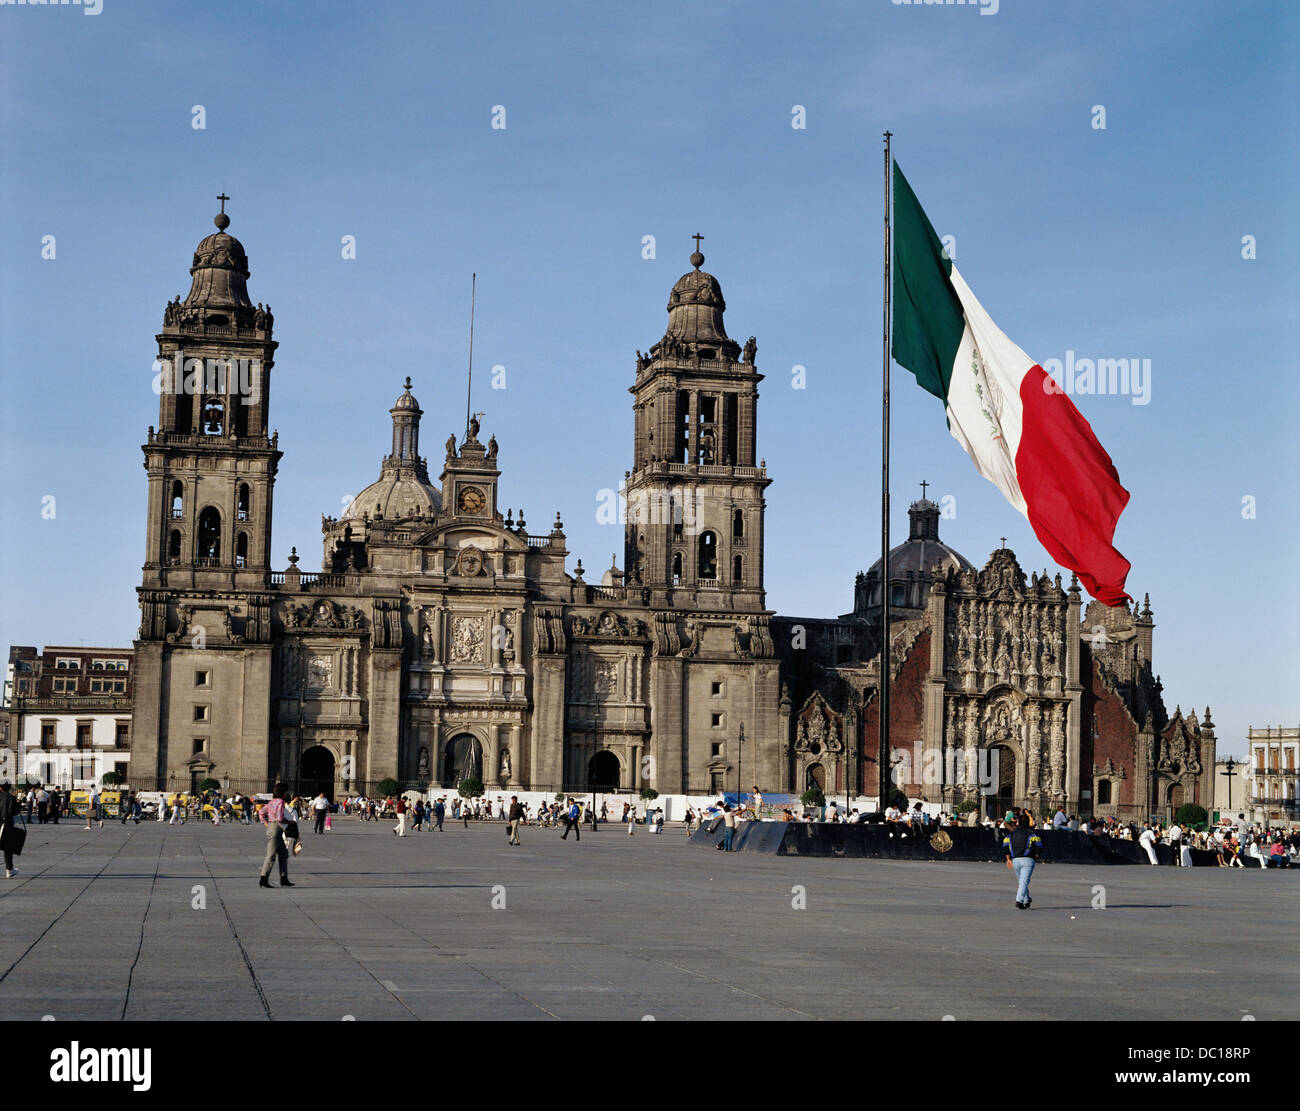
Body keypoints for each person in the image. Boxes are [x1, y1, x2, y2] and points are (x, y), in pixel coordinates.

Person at [1002, 813, 1043, 909]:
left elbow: (1005, 846)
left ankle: (1026, 900)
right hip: (1028, 860)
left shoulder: (1011, 834)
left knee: (1022, 881)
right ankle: (1019, 901)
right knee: (1024, 882)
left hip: (1015, 860)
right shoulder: (1031, 833)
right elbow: (1039, 844)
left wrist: (1008, 859)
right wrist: (1036, 854)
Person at [258, 784, 294, 888]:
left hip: (273, 828)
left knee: (283, 854)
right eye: (286, 792)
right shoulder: (281, 802)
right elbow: (279, 818)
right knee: (271, 855)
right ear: (283, 793)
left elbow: (261, 812)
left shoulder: (271, 802)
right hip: (276, 828)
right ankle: (263, 878)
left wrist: (265, 822)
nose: (287, 794)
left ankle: (284, 878)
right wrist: (289, 822)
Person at [1, 782, 21, 878]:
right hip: (7, 824)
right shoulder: (11, 797)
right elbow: (15, 812)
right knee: (8, 848)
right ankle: (9, 870)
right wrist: (18, 804)